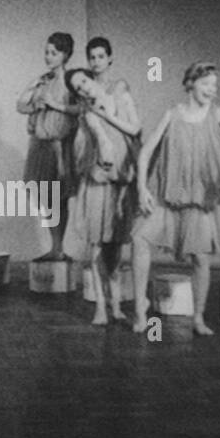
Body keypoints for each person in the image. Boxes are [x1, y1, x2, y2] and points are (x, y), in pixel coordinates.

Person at [131, 62, 220, 335]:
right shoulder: (173, 114)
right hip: (169, 197)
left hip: (201, 200)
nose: (211, 90)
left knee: (200, 257)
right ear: (190, 83)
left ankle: (198, 317)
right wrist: (142, 188)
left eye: (214, 85)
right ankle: (140, 307)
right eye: (206, 84)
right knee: (139, 239)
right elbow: (145, 152)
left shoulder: (217, 114)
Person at [66, 67, 141, 325]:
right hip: (98, 185)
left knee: (116, 248)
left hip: (120, 183)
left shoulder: (116, 99)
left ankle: (116, 304)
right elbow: (80, 156)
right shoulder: (85, 118)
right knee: (97, 246)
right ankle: (100, 306)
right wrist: (93, 165)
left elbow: (134, 132)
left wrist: (107, 116)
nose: (84, 87)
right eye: (78, 87)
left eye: (84, 81)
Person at [17, 32, 81, 261]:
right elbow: (21, 105)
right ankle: (55, 246)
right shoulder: (44, 80)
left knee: (59, 197)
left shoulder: (72, 80)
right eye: (46, 52)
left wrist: (56, 105)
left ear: (65, 55)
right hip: (40, 144)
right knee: (45, 196)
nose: (48, 57)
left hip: (59, 145)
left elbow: (81, 109)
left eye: (54, 53)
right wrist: (34, 89)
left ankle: (59, 247)